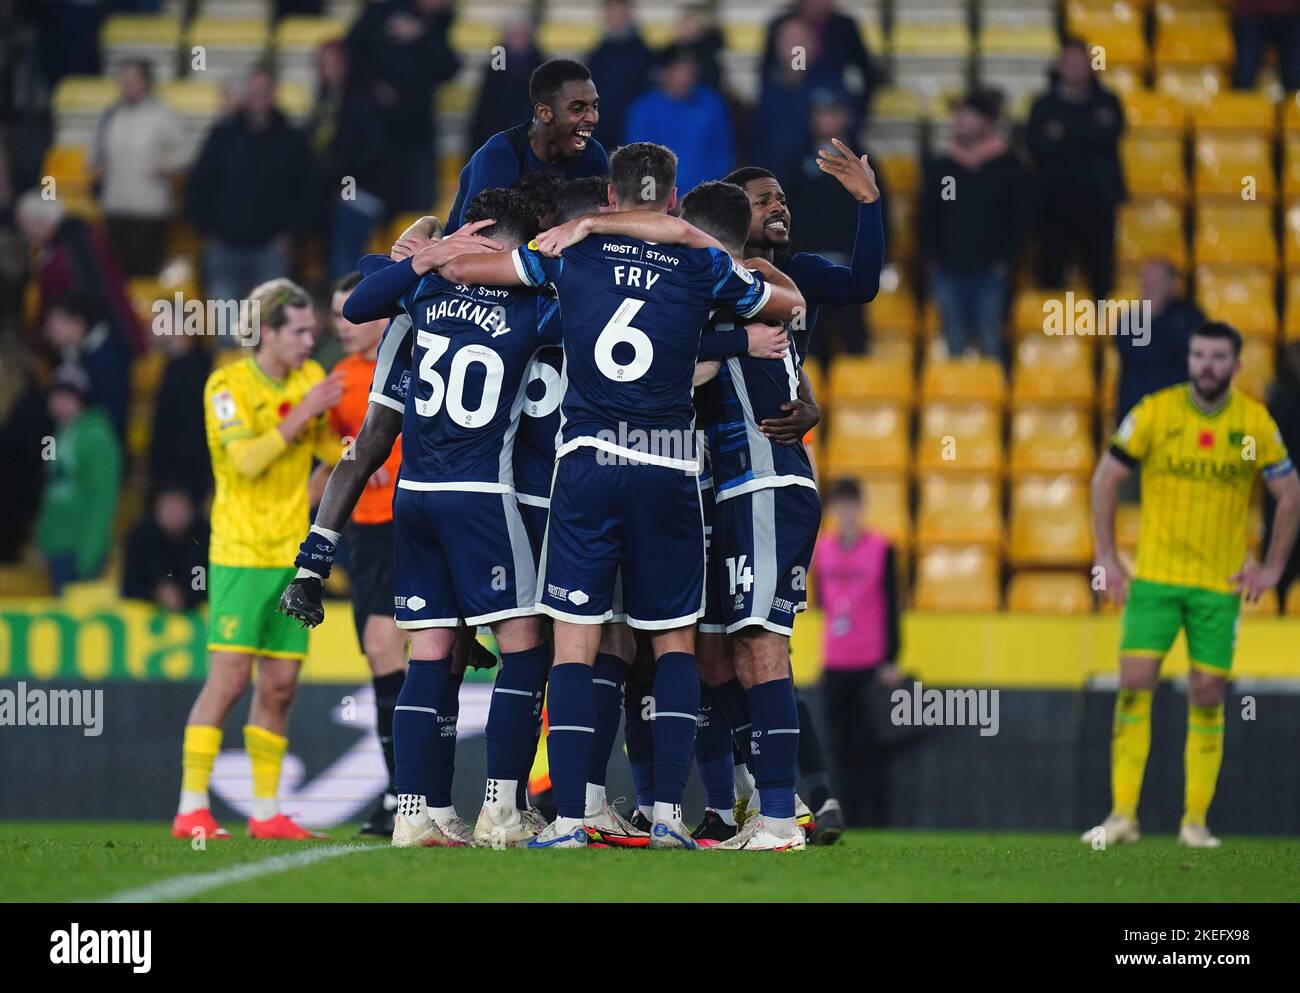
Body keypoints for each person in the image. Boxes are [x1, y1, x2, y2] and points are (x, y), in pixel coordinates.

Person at [441, 143, 805, 849]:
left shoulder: (573, 253)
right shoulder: (702, 262)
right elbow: (787, 304)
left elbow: (464, 269)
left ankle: (574, 815)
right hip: (670, 465)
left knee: (575, 640)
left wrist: (437, 247)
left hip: (588, 461)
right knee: (671, 640)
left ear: (608, 198)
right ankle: (668, 814)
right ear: (672, 202)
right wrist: (689, 238)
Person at [337, 189, 561, 848]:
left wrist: (426, 254)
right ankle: (500, 809)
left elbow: (356, 305)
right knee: (525, 647)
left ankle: (413, 813)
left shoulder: (425, 293)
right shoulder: (531, 302)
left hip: (414, 495)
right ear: (510, 246)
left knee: (429, 653)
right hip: (482, 493)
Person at [1087, 322, 1300, 849]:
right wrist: (1106, 558)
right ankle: (1121, 816)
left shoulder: (1253, 423)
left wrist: (1272, 570)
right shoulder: (1156, 412)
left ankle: (1195, 822)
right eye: (1199, 354)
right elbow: (1104, 479)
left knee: (1207, 692)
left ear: (1236, 365)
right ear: (1189, 359)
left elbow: (1290, 494)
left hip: (1217, 585)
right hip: (1155, 579)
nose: (1206, 364)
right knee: (1134, 680)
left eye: (1217, 357)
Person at [172, 279, 345, 842]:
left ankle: (266, 813)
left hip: (292, 560)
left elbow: (328, 454)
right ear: (266, 332)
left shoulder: (311, 379)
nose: (309, 341)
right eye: (298, 332)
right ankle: (191, 808)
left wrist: (361, 449)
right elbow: (245, 461)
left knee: (279, 686)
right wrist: (304, 415)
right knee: (226, 683)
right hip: (240, 557)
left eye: (313, 332)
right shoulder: (227, 385)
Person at [321, 272, 410, 837]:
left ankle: (409, 793)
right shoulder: (339, 380)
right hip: (365, 535)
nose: (345, 324)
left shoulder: (409, 362)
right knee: (380, 655)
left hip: (413, 521)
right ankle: (402, 793)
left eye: (353, 312)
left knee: (389, 645)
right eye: (336, 316)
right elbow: (338, 449)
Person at [185, 65, 310, 334]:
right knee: (227, 332)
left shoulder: (292, 139)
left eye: (264, 91)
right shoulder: (222, 135)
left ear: (273, 93)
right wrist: (204, 228)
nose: (258, 98)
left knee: (271, 330)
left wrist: (291, 233)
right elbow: (200, 183)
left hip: (270, 248)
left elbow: (307, 190)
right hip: (223, 246)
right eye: (253, 92)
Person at [812, 478, 902, 828]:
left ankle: (876, 819)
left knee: (871, 748)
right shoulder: (823, 549)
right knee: (839, 746)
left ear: (862, 509)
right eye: (841, 507)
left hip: (870, 663)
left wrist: (891, 658)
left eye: (853, 506)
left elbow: (893, 605)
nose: (847, 514)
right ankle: (847, 816)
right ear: (835, 510)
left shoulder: (882, 548)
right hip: (835, 661)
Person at [918, 89, 1030, 361]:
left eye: (967, 113)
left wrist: (1006, 260)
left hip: (991, 271)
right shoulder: (943, 165)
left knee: (992, 339)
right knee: (952, 341)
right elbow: (926, 215)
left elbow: (1022, 219)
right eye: (957, 113)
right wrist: (932, 257)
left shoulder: (1008, 166)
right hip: (948, 269)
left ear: (987, 121)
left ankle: (993, 398)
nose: (958, 119)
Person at [781, 89, 887, 364]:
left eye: (833, 113)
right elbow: (783, 212)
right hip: (807, 268)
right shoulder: (795, 162)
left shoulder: (865, 163)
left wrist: (878, 259)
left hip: (852, 266)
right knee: (808, 347)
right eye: (821, 113)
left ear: (846, 117)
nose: (827, 120)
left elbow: (878, 212)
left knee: (855, 342)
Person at [445, 59, 607, 233]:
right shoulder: (499, 156)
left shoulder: (592, 154)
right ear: (545, 113)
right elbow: (474, 244)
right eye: (577, 108)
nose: (593, 117)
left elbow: (606, 226)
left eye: (594, 106)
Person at [1025, 36, 1126, 300]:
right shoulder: (1042, 106)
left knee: (1102, 277)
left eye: (1080, 62)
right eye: (1068, 62)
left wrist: (1063, 132)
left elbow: (1110, 135)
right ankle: (1051, 337)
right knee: (1051, 276)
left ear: (1092, 66)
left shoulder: (1109, 101)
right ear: (1058, 67)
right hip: (1054, 206)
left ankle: (1103, 335)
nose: (1075, 68)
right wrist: (1088, 130)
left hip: (1098, 205)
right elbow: (1036, 146)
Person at [345, 0, 461, 214]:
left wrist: (421, 36)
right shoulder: (381, 11)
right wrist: (375, 86)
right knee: (373, 205)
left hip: (418, 131)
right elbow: (351, 51)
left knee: (417, 208)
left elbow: (449, 68)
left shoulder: (438, 23)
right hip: (377, 132)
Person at [15, 190, 144, 354]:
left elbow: (86, 294)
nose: (26, 234)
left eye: (26, 226)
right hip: (92, 331)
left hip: (96, 337)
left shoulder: (71, 249)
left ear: (40, 221)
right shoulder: (78, 238)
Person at [88, 59, 185, 278]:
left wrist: (166, 165)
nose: (127, 84)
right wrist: (97, 167)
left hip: (149, 210)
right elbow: (94, 154)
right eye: (123, 79)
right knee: (115, 276)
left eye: (133, 79)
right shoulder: (110, 115)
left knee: (145, 273)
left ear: (147, 83)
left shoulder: (163, 115)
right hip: (115, 208)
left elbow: (186, 151)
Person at [35, 365, 122, 593]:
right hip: (57, 547)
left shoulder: (98, 437)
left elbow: (102, 498)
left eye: (67, 396)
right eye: (55, 396)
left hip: (79, 548)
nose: (59, 403)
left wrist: (89, 554)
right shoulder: (55, 436)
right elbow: (51, 490)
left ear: (81, 399)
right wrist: (43, 540)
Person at [308, 39, 388, 282]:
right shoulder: (326, 101)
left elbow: (372, 148)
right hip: (330, 193)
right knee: (334, 262)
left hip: (357, 196)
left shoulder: (362, 99)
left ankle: (354, 316)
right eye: (323, 64)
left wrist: (347, 186)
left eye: (332, 63)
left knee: (347, 265)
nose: (327, 70)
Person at [624, 46, 734, 196]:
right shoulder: (644, 109)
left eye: (690, 70)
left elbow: (723, 152)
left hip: (706, 200)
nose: (685, 77)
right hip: (661, 203)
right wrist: (661, 201)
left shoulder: (711, 102)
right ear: (663, 73)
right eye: (679, 70)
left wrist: (710, 194)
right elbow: (640, 162)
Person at [760, 0, 878, 129]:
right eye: (790, 42)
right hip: (790, 108)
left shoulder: (844, 26)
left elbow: (866, 71)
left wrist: (857, 112)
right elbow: (767, 72)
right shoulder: (783, 25)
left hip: (834, 103)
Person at [1116, 258, 1203, 424]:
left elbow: (1190, 350)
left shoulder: (1190, 317)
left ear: (1172, 284)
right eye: (1146, 281)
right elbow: (1130, 351)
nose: (1149, 287)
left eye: (1156, 281)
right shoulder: (1131, 318)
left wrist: (1156, 322)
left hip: (1177, 415)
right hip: (1135, 414)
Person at [43, 290, 130, 439]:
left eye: (55, 323)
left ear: (77, 324)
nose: (49, 332)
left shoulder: (107, 359)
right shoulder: (71, 355)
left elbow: (111, 417)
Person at [148, 307, 213, 503]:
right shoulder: (174, 367)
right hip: (172, 481)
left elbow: (191, 435)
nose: (152, 329)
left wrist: (175, 487)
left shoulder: (193, 372)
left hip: (181, 485)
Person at [121, 484, 210, 611]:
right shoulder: (141, 535)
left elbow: (208, 585)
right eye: (168, 506)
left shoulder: (204, 536)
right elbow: (129, 585)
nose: (174, 514)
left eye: (179, 506)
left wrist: (184, 597)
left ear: (192, 509)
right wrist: (157, 593)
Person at [584, 0, 654, 159]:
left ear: (628, 13)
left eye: (619, 11)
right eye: (611, 11)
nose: (616, 16)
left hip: (636, 133)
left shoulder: (644, 53)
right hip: (603, 132)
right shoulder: (596, 55)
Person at [468, 20, 544, 153]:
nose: (518, 40)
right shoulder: (494, 70)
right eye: (513, 35)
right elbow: (484, 112)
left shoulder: (542, 68)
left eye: (522, 35)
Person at [1265, 342, 1300, 610]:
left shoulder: (1278, 396)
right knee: (1283, 557)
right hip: (1282, 492)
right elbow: (1257, 443)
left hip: (1281, 491)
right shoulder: (1280, 397)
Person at [1232, 0, 1300, 91]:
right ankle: (1241, 105)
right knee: (1245, 76)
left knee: (1294, 77)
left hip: (1291, 14)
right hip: (1250, 15)